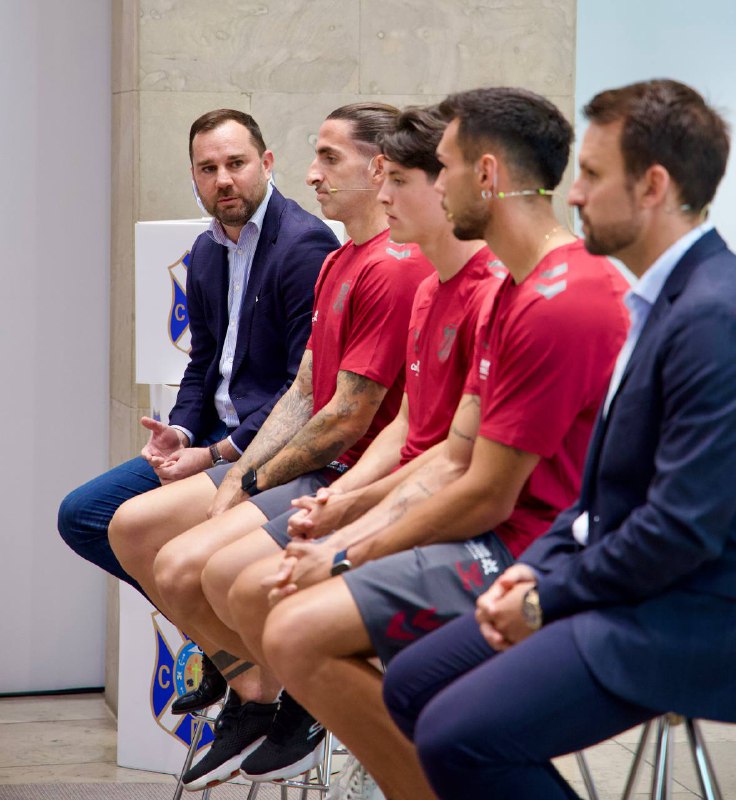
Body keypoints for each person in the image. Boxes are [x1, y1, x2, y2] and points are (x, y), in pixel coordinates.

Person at [254, 87, 630, 800]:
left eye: (440, 166)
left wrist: (345, 550)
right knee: (288, 619)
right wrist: (348, 518)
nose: (396, 186)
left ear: (485, 175)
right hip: (494, 535)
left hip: (533, 553)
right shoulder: (509, 290)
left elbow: (486, 494)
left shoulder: (564, 297)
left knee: (295, 632)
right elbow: (449, 455)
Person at [381, 78, 736, 800]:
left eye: (593, 175)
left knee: (458, 737)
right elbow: (597, 495)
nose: (572, 195)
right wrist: (533, 570)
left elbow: (681, 528)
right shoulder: (654, 298)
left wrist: (549, 595)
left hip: (688, 613)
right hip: (625, 582)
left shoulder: (711, 316)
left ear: (653, 186)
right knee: (413, 684)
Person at [108, 102, 433, 792]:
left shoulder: (385, 263)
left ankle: (297, 701)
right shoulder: (343, 259)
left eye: (327, 159)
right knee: (142, 543)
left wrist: (243, 475)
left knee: (203, 566)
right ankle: (255, 692)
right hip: (318, 465)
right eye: (207, 167)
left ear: (380, 170)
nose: (312, 175)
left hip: (346, 475)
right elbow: (304, 391)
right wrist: (233, 472)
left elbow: (349, 418)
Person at [196, 103, 506, 789]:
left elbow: (459, 466)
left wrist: (347, 530)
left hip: (488, 534)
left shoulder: (483, 291)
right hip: (393, 489)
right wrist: (287, 487)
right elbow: (403, 429)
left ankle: (331, 722)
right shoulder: (424, 285)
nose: (382, 191)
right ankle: (270, 701)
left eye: (397, 178)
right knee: (194, 562)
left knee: (271, 606)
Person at [57, 109, 338, 590]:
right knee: (83, 514)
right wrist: (182, 433)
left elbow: (303, 389)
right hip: (210, 436)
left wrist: (214, 456)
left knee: (166, 546)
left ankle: (221, 647)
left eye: (236, 163)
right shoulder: (206, 250)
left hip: (269, 447)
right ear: (194, 177)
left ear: (267, 163)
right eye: (208, 169)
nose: (223, 180)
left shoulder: (303, 246)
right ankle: (217, 644)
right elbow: (203, 360)